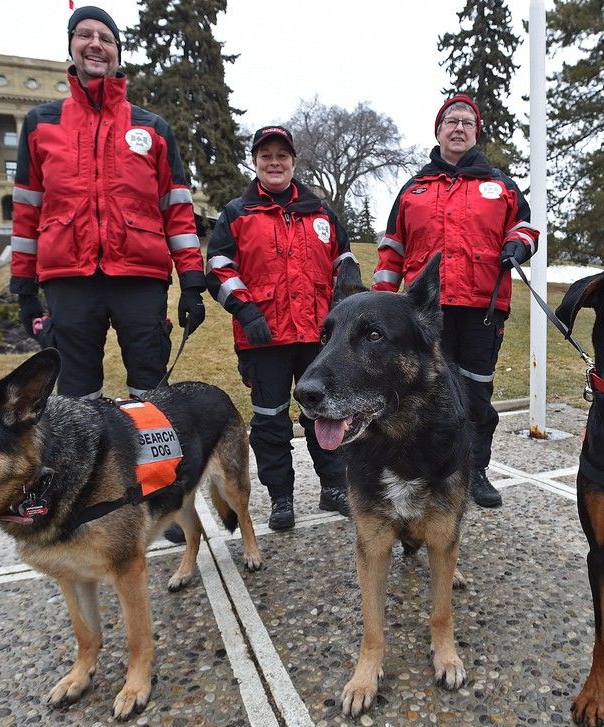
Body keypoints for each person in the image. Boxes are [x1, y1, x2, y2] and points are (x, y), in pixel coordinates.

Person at [9, 5, 206, 402]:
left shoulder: (153, 128)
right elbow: (27, 211)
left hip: (140, 276)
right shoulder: (40, 124)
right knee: (76, 395)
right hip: (69, 278)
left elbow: (177, 211)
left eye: (106, 38)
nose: (95, 44)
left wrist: (192, 283)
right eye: (85, 35)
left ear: (118, 52)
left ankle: (153, 444)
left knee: (151, 390)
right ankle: (86, 447)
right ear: (71, 45)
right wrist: (24, 288)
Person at [373, 94, 539, 509]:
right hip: (425, 313)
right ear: (439, 131)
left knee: (476, 395)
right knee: (426, 391)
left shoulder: (501, 186)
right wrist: (379, 306)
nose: (459, 127)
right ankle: (424, 469)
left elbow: (525, 227)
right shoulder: (413, 189)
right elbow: (392, 248)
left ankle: (474, 470)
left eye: (467, 122)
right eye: (451, 121)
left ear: (476, 133)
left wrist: (518, 245)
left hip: (483, 308)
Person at [205, 125, 355, 530]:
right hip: (263, 339)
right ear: (255, 162)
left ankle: (334, 486)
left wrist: (342, 309)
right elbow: (218, 269)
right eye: (266, 156)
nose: (274, 162)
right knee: (270, 421)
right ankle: (281, 498)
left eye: (282, 156)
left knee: (327, 414)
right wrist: (247, 311)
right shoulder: (237, 213)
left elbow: (344, 262)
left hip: (319, 340)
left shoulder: (320, 212)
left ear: (293, 162)